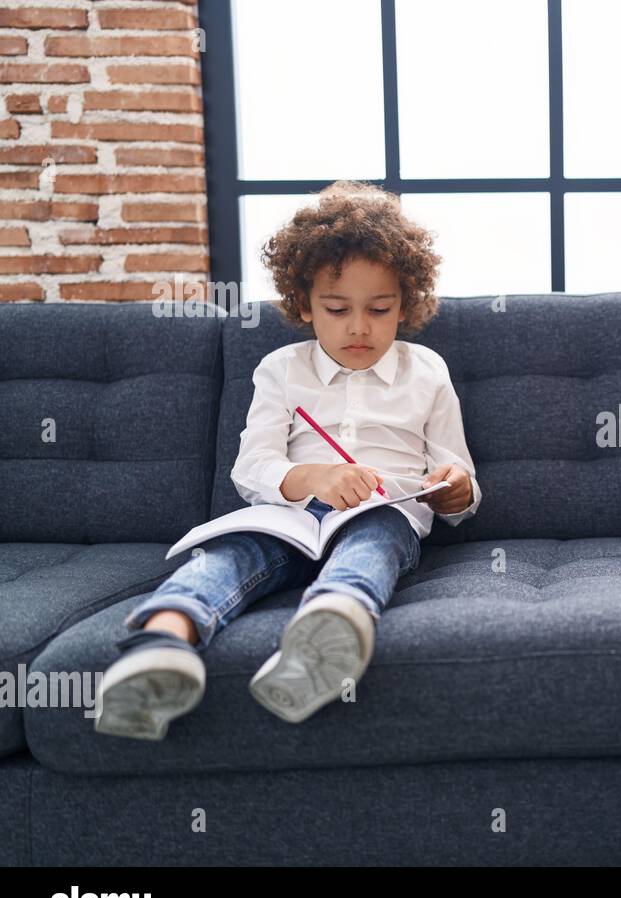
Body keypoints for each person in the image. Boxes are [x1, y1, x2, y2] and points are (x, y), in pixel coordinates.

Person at [96, 181, 481, 740]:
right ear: (304, 304)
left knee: (374, 541)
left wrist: (456, 491)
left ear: (407, 303)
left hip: (386, 510)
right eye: (336, 308)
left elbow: (458, 471)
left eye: (380, 309)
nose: (359, 327)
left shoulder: (427, 371)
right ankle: (162, 645)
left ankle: (330, 634)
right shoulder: (280, 370)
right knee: (232, 553)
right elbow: (252, 467)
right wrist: (313, 478)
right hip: (291, 516)